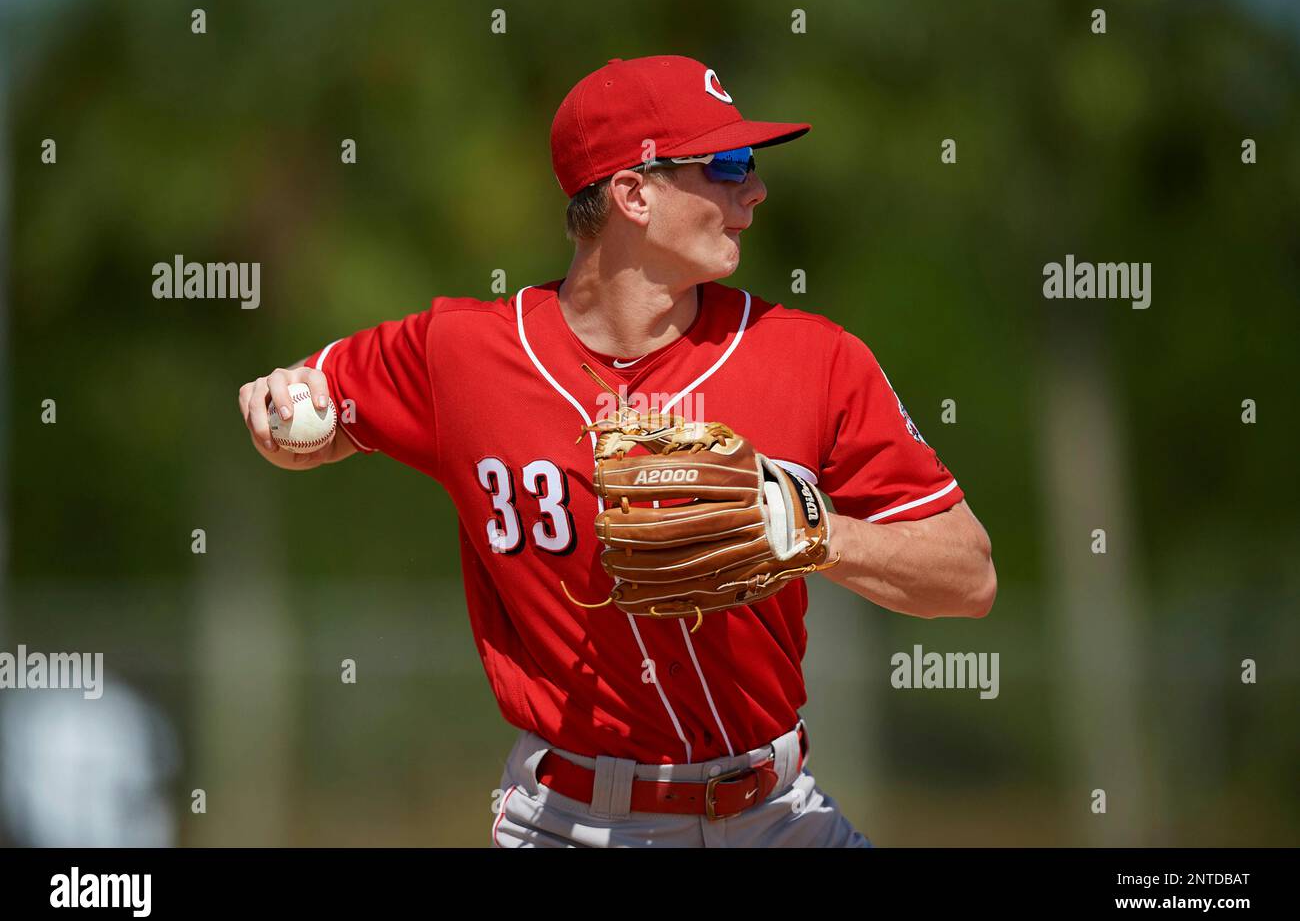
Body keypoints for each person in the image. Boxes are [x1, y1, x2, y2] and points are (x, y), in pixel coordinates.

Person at [237, 55, 997, 847]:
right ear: (634, 192)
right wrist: (280, 416)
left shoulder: (814, 359)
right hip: (571, 824)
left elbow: (969, 575)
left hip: (777, 817)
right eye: (728, 165)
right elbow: (311, 406)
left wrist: (812, 529)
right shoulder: (459, 355)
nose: (755, 191)